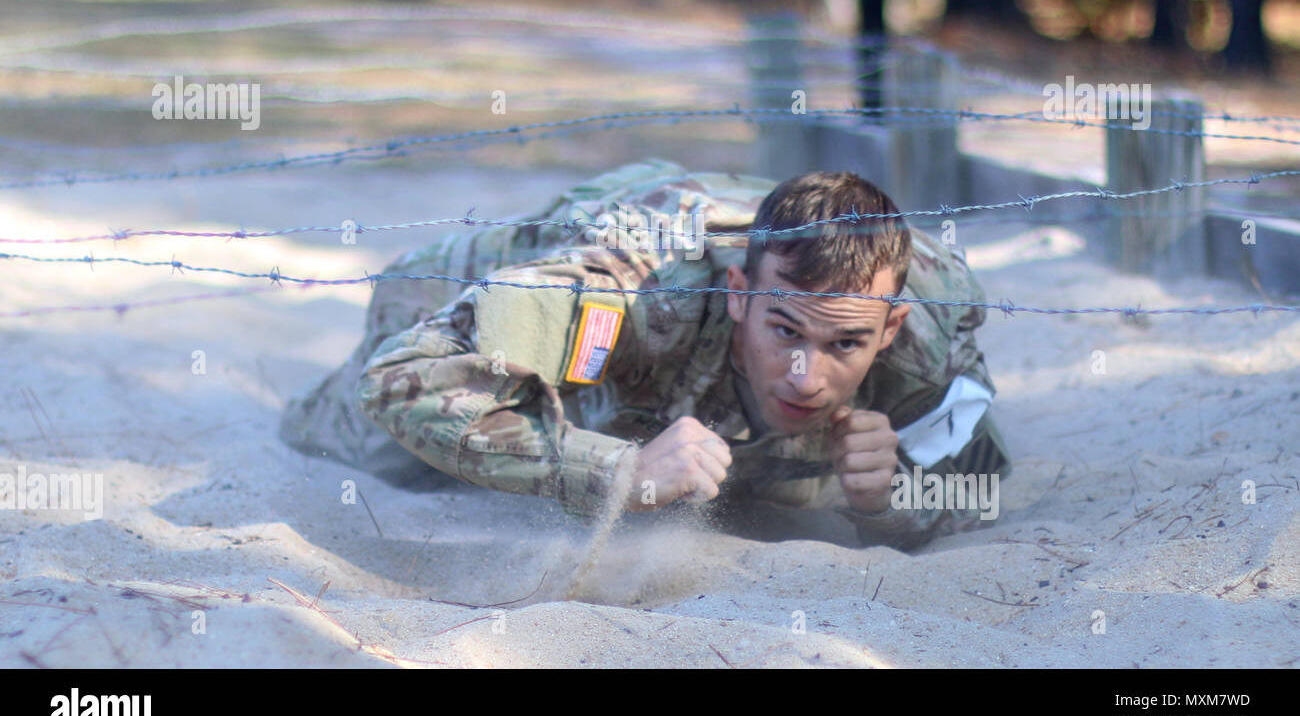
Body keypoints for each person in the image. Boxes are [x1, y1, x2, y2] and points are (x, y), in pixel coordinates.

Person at [279, 158, 1012, 549]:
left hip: (690, 367)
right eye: (785, 330)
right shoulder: (634, 290)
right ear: (737, 292)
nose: (806, 376)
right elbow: (402, 377)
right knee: (369, 451)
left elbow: (983, 484)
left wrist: (895, 501)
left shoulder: (930, 331)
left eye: (845, 343)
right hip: (454, 285)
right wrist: (614, 470)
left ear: (889, 329)